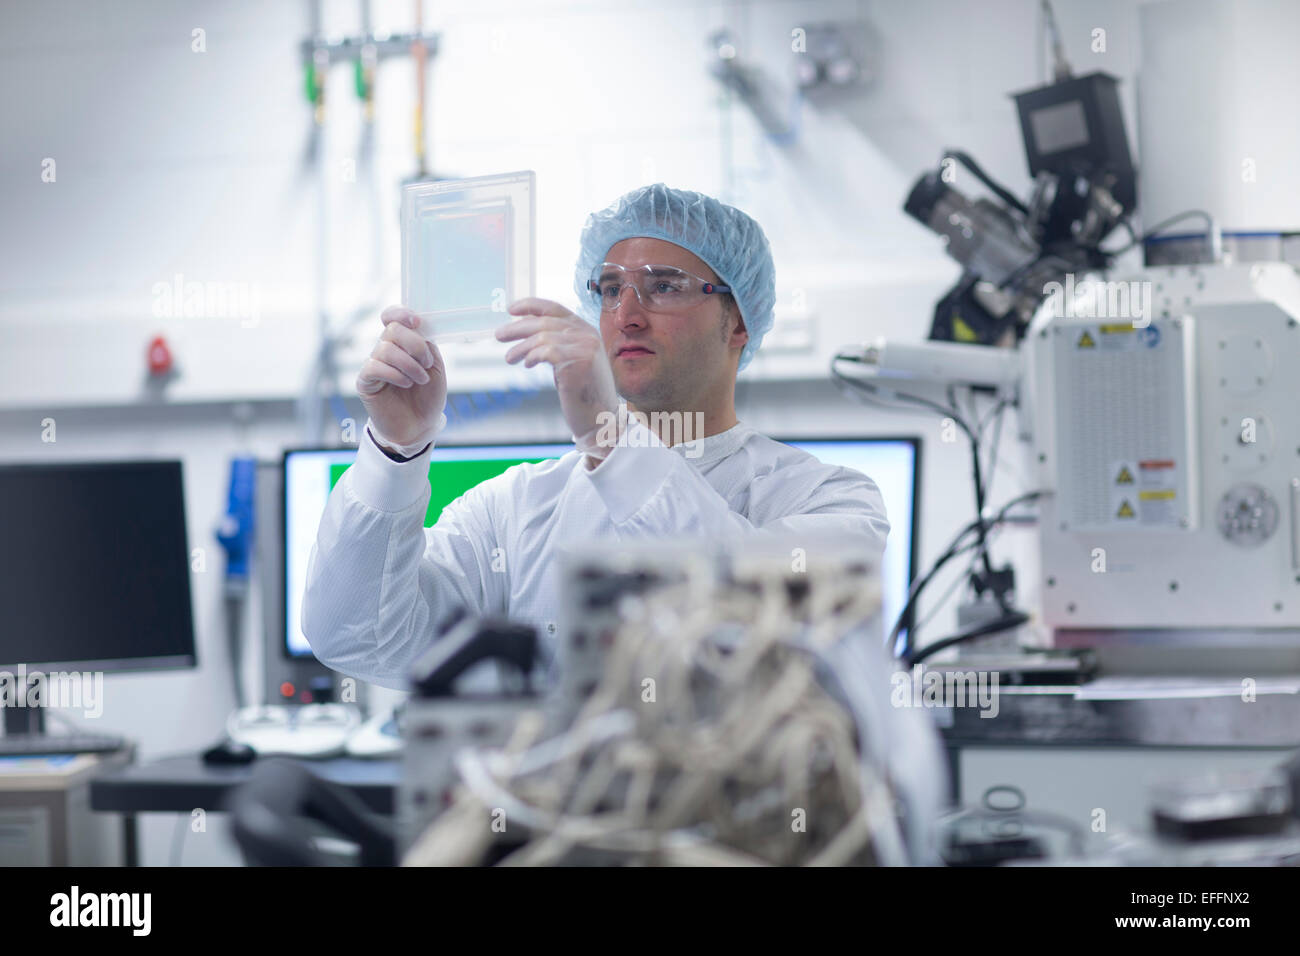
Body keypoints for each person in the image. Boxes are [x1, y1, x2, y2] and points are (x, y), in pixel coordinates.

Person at [302, 183, 889, 689]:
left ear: (737, 320)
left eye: (664, 286)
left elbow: (755, 634)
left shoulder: (829, 501)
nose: (627, 313)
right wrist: (396, 451)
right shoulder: (516, 509)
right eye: (609, 289)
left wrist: (611, 440)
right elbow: (359, 638)